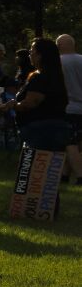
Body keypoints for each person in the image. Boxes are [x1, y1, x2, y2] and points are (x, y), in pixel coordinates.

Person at [13, 37, 71, 156]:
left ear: (40, 55)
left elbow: (31, 103)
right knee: (51, 168)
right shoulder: (57, 76)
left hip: (40, 130)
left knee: (35, 167)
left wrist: (14, 105)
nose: (29, 55)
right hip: (58, 126)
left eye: (31, 51)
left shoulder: (40, 77)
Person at [57, 34, 82, 185]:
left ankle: (80, 175)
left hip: (68, 107)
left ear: (59, 46)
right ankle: (64, 175)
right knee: (79, 143)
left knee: (69, 142)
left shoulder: (58, 62)